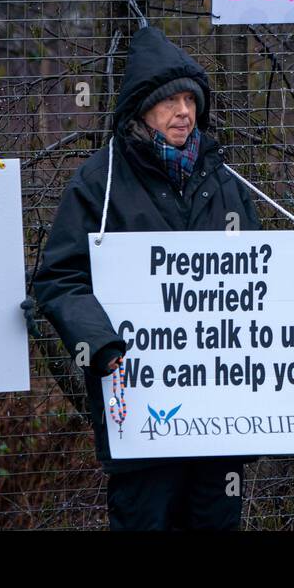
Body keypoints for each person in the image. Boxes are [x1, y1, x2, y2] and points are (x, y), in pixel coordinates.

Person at [33, 26, 260, 531]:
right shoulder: (100, 181)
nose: (184, 111)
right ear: (141, 110)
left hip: (220, 413)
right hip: (138, 411)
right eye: (170, 102)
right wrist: (101, 342)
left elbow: (265, 280)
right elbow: (58, 279)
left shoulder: (225, 180)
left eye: (190, 100)